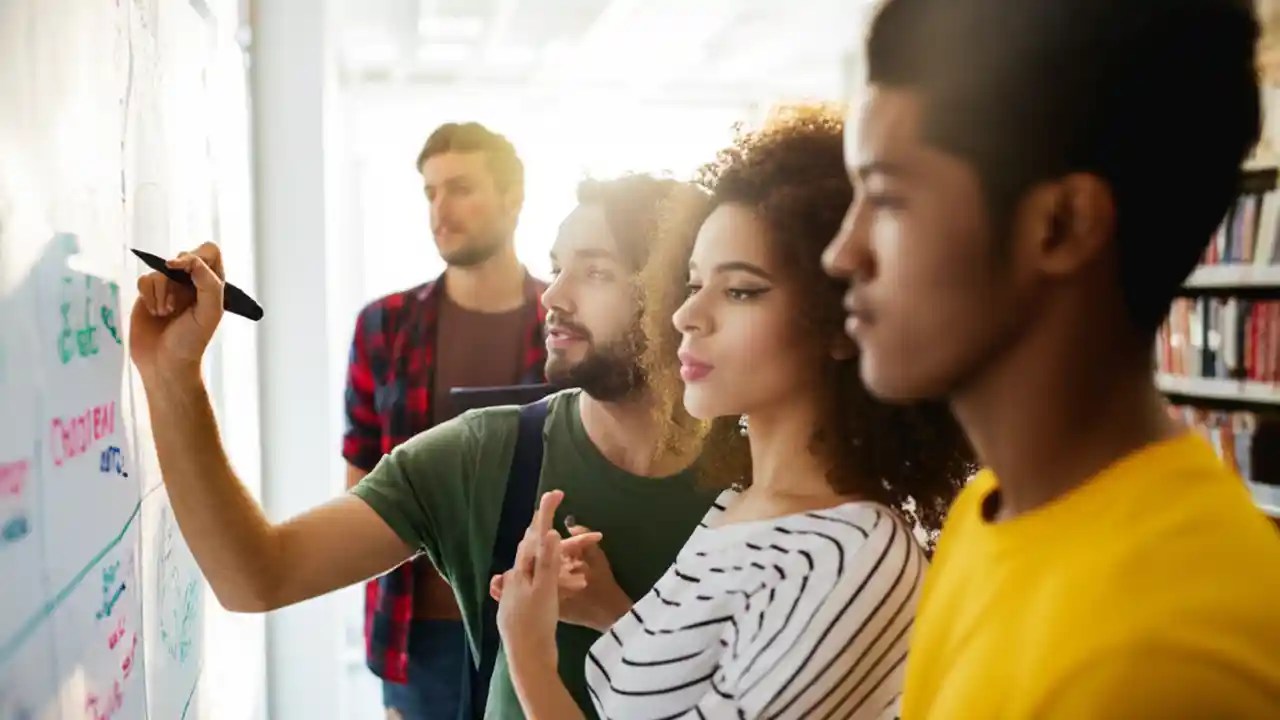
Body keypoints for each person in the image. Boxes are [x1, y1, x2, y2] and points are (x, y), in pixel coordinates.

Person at [823, 0, 1280, 716]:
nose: (841, 252)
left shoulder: (1160, 658)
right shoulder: (994, 510)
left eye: (885, 199)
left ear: (1060, 226)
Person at [128, 174, 719, 720]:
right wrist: (174, 376)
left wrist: (616, 617)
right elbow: (256, 576)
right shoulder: (486, 453)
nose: (552, 297)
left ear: (678, 298)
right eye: (556, 267)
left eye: (595, 272)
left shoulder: (765, 471)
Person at [494, 105, 974, 719]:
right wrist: (608, 607)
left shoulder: (847, 552)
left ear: (839, 320)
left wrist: (528, 656)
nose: (687, 315)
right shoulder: (739, 504)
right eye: (694, 284)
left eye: (741, 289)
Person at [343, 121, 547, 720]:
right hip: (417, 626)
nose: (440, 209)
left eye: (460, 188)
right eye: (430, 192)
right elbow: (360, 474)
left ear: (514, 200)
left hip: (536, 618)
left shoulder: (566, 324)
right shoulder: (384, 325)